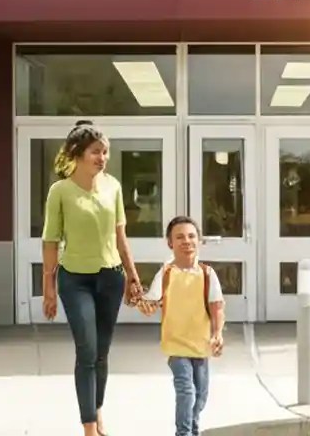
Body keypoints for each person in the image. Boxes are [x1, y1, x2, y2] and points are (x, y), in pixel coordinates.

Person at [42, 120, 145, 436]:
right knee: (86, 350)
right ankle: (89, 427)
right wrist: (49, 287)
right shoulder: (60, 191)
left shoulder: (113, 186)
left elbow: (120, 235)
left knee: (101, 352)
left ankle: (97, 412)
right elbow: (50, 241)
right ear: (79, 153)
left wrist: (132, 276)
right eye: (96, 152)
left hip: (110, 278)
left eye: (105, 152)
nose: (102, 158)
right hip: (75, 281)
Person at [136, 216, 226, 436]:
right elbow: (151, 301)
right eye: (180, 237)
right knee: (186, 391)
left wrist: (217, 334)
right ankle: (183, 433)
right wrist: (143, 304)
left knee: (201, 394)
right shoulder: (166, 274)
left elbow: (217, 307)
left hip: (200, 344)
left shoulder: (207, 274)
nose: (187, 241)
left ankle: (193, 426)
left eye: (191, 236)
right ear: (170, 243)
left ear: (199, 241)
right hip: (176, 346)